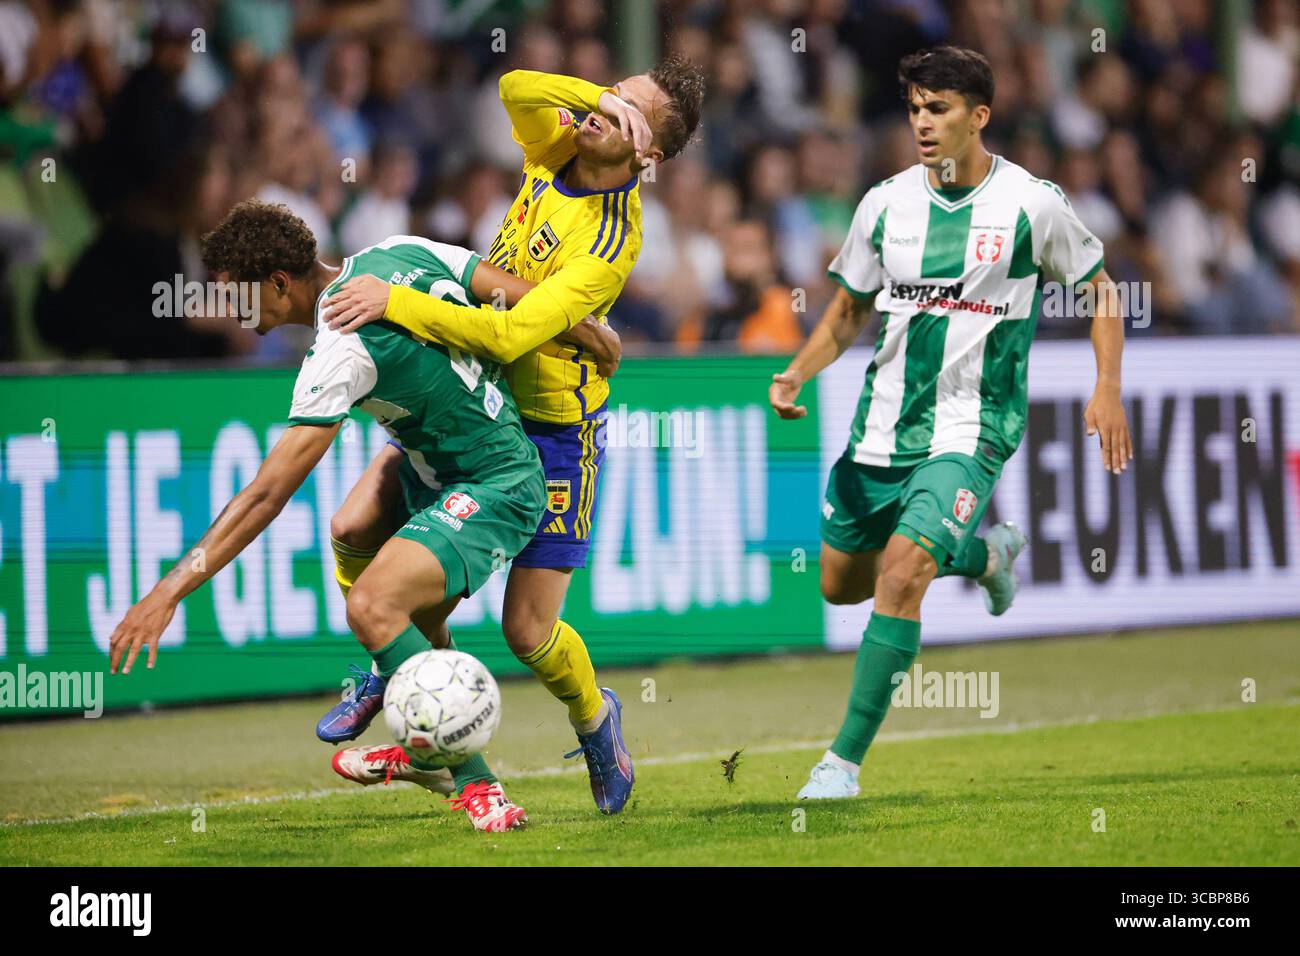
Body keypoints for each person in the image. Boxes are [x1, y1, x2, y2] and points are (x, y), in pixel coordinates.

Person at [105, 200, 599, 832]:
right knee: (352, 534)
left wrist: (169, 591)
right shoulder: (396, 253)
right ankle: (404, 704)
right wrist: (583, 329)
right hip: (438, 476)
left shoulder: (340, 347)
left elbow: (264, 495)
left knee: (371, 607)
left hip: (498, 483)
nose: (230, 310)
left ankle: (478, 786)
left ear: (280, 284)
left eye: (237, 296)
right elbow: (508, 290)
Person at [317, 57, 705, 815]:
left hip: (554, 430)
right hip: (478, 403)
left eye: (629, 115)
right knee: (358, 521)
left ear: (646, 156)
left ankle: (596, 720)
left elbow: (508, 335)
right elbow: (514, 87)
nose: (603, 112)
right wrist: (600, 98)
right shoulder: (553, 148)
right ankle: (400, 683)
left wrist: (395, 301)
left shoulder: (612, 241)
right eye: (609, 97)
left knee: (528, 630)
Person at [768, 47, 1133, 800]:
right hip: (882, 426)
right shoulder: (885, 202)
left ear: (979, 116)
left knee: (901, 577)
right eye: (914, 108)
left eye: (938, 109)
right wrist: (799, 370)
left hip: (974, 427)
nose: (922, 123)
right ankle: (986, 558)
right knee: (842, 585)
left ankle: (839, 766)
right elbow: (846, 311)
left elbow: (1102, 293)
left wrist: (1107, 388)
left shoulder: (1031, 205)